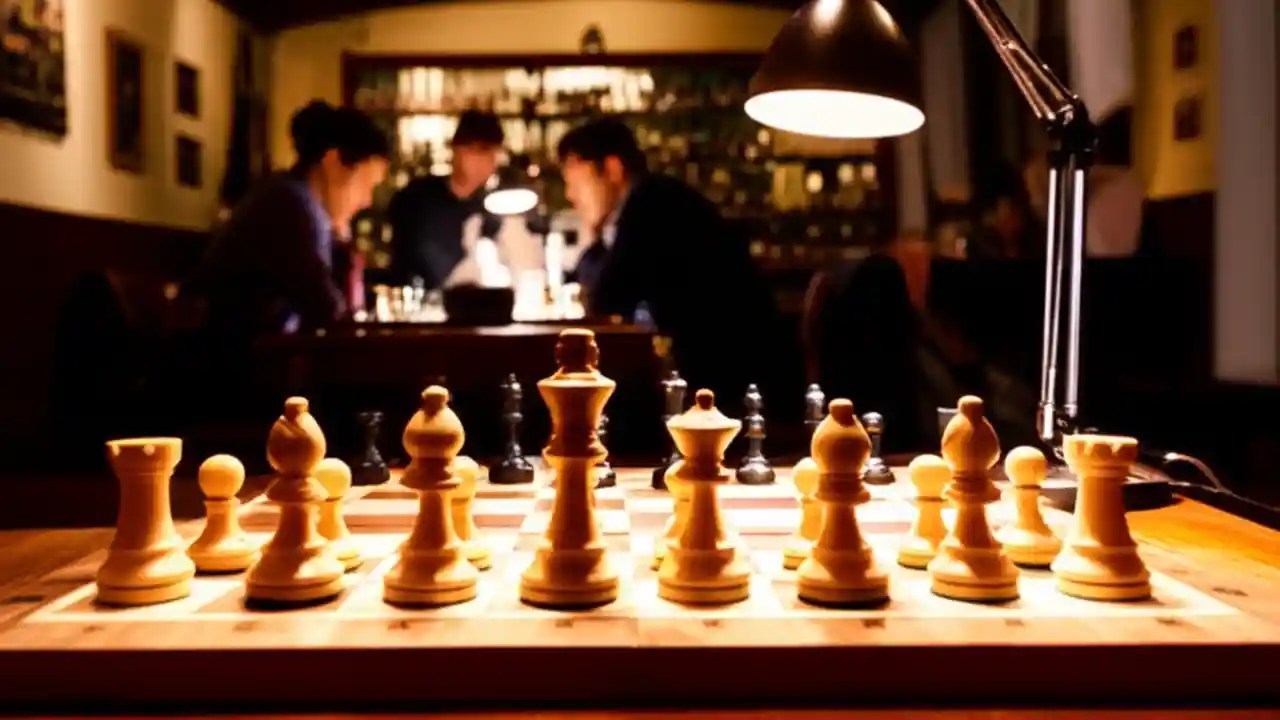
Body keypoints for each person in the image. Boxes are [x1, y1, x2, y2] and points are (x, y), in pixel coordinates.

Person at [556, 118, 788, 405]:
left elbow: (606, 296)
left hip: (732, 379)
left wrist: (592, 241)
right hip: (722, 370)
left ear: (613, 169)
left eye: (577, 182)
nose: (570, 196)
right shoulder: (653, 199)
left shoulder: (651, 207)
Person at [187, 99, 389, 343]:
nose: (367, 201)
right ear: (334, 163)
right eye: (366, 185)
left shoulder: (295, 201)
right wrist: (344, 246)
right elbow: (329, 310)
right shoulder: (288, 205)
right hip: (230, 369)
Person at [387, 109, 504, 289]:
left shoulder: (494, 207)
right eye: (477, 151)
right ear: (456, 150)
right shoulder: (417, 198)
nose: (484, 162)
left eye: (491, 154)